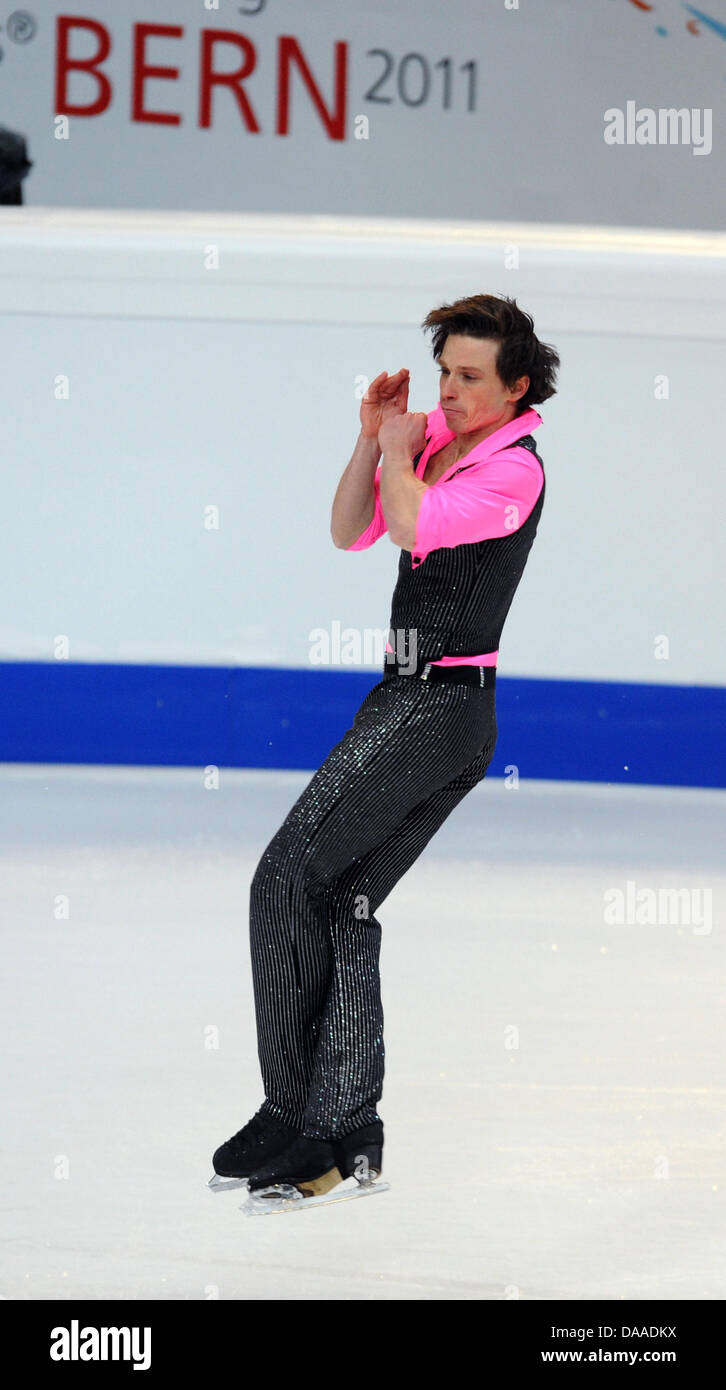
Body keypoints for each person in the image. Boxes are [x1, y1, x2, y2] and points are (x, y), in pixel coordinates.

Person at [211, 293, 560, 1206]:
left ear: (517, 387)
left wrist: (404, 456)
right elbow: (348, 527)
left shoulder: (514, 470)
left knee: (285, 879)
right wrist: (374, 439)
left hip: (435, 708)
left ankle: (296, 1113)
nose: (447, 390)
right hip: (417, 702)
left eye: (468, 377)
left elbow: (408, 526)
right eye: (444, 372)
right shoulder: (444, 449)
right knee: (343, 900)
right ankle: (345, 1127)